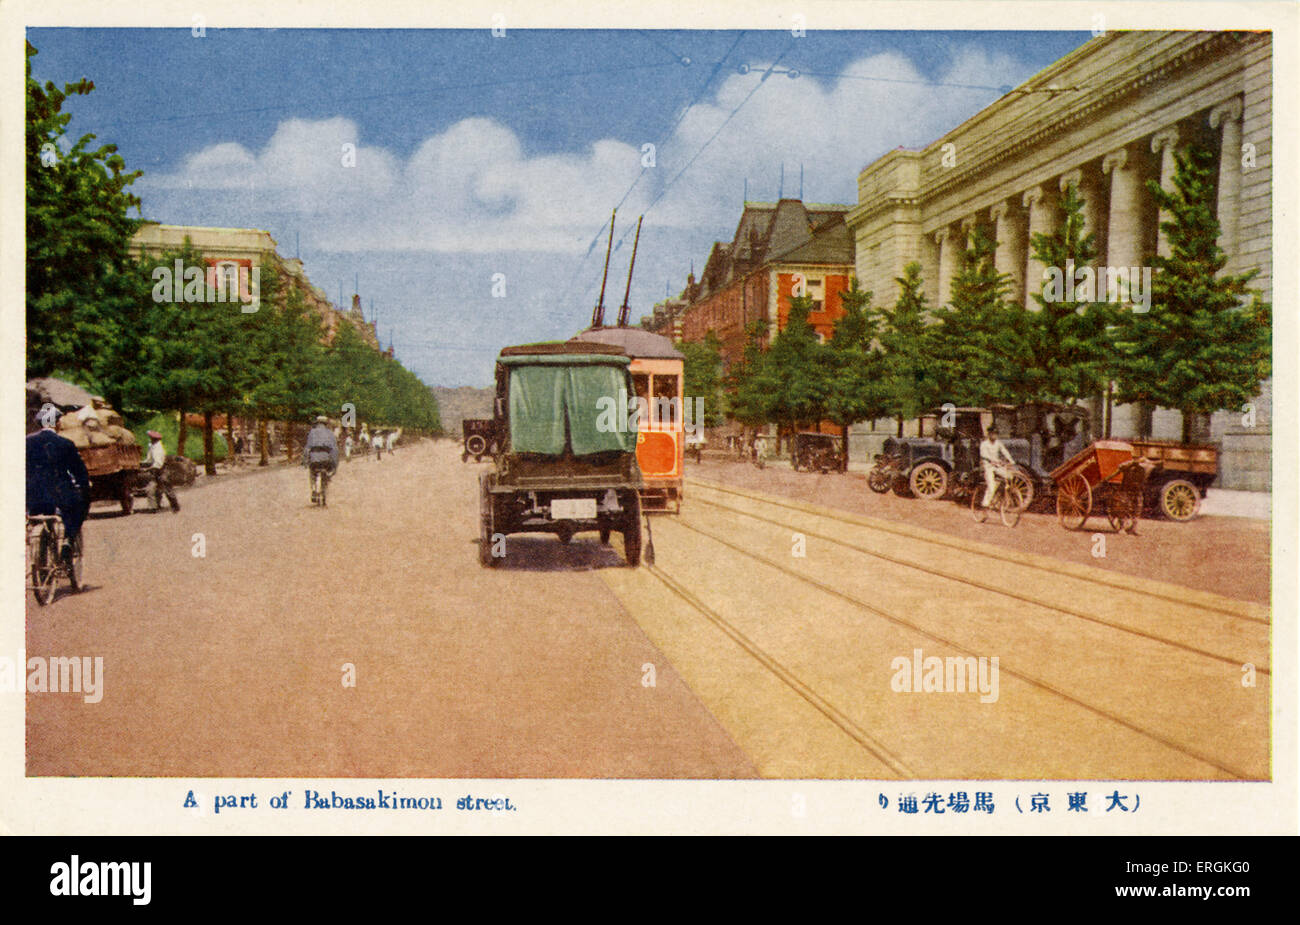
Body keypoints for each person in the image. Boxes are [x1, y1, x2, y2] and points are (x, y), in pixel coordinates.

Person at [26, 403, 92, 566]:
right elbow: (79, 472)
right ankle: (68, 541)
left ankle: (40, 560)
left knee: (38, 517)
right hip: (61, 492)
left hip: (34, 496)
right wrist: (85, 488)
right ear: (57, 423)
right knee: (78, 508)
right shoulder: (65, 443)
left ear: (40, 423)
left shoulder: (27, 442)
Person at [143, 429, 181, 512]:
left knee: (167, 489)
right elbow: (149, 459)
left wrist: (148, 469)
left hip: (162, 470)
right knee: (151, 488)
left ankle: (175, 506)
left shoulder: (158, 449)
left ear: (155, 439)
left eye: (151, 438)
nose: (150, 439)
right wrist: (143, 463)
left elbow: (158, 463)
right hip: (155, 471)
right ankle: (154, 507)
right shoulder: (152, 446)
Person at [979, 426, 1017, 508]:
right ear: (989, 434)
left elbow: (1004, 451)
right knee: (991, 487)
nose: (994, 436)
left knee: (1009, 477)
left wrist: (1011, 460)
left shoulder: (998, 443)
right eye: (992, 434)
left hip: (997, 466)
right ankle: (985, 503)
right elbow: (983, 455)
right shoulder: (984, 444)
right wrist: (992, 460)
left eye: (996, 434)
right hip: (988, 467)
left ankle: (1000, 497)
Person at [303, 415, 339, 501]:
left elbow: (307, 448)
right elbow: (334, 450)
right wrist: (335, 465)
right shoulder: (330, 433)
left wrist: (305, 461)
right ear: (326, 424)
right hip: (326, 459)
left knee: (312, 473)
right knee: (327, 473)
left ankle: (314, 489)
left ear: (317, 423)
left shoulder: (312, 432)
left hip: (314, 459)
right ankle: (324, 490)